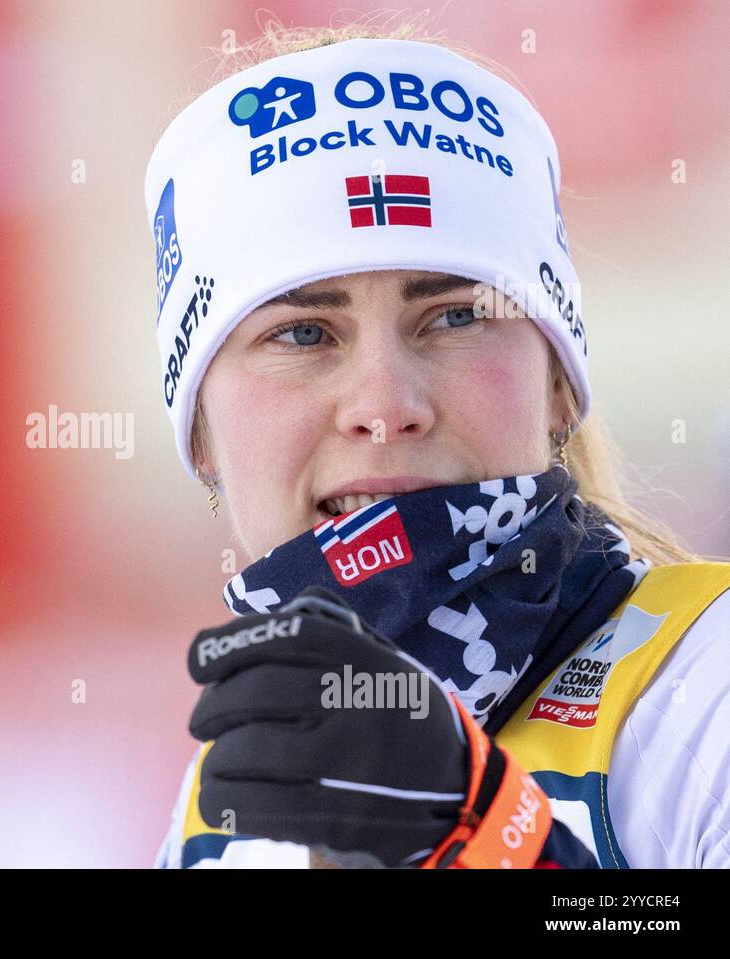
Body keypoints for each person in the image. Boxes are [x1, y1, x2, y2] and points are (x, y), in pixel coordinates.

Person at [145, 23, 730, 868]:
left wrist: (495, 845)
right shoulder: (231, 793)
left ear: (560, 383)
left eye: (456, 316)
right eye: (304, 333)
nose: (385, 407)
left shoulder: (703, 687)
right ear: (201, 437)